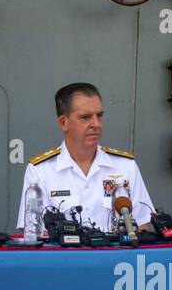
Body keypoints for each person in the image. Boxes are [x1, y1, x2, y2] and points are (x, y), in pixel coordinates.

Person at [17, 83, 154, 233]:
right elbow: (33, 233)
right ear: (64, 123)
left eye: (99, 115)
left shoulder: (125, 166)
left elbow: (143, 225)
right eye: (85, 117)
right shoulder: (41, 171)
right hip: (63, 256)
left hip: (116, 256)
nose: (96, 124)